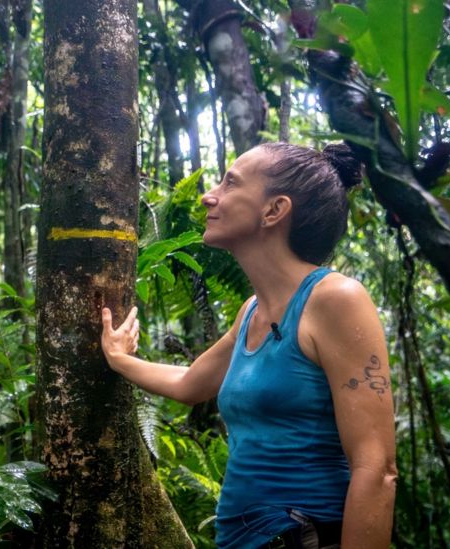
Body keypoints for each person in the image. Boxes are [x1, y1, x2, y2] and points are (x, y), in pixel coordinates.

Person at [101, 143, 397, 549]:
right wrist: (119, 358)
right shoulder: (251, 312)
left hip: (302, 535)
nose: (210, 195)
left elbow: (377, 468)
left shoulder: (336, 299)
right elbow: (191, 382)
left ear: (274, 210)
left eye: (230, 183)